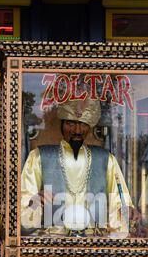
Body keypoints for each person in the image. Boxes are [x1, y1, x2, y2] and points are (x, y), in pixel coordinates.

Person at [20, 98, 135, 236]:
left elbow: (120, 207)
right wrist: (36, 201)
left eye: (83, 124)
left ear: (90, 126)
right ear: (61, 124)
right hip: (51, 243)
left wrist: (126, 214)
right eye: (70, 123)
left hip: (95, 243)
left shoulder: (106, 160)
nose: (77, 130)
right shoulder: (38, 157)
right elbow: (23, 218)